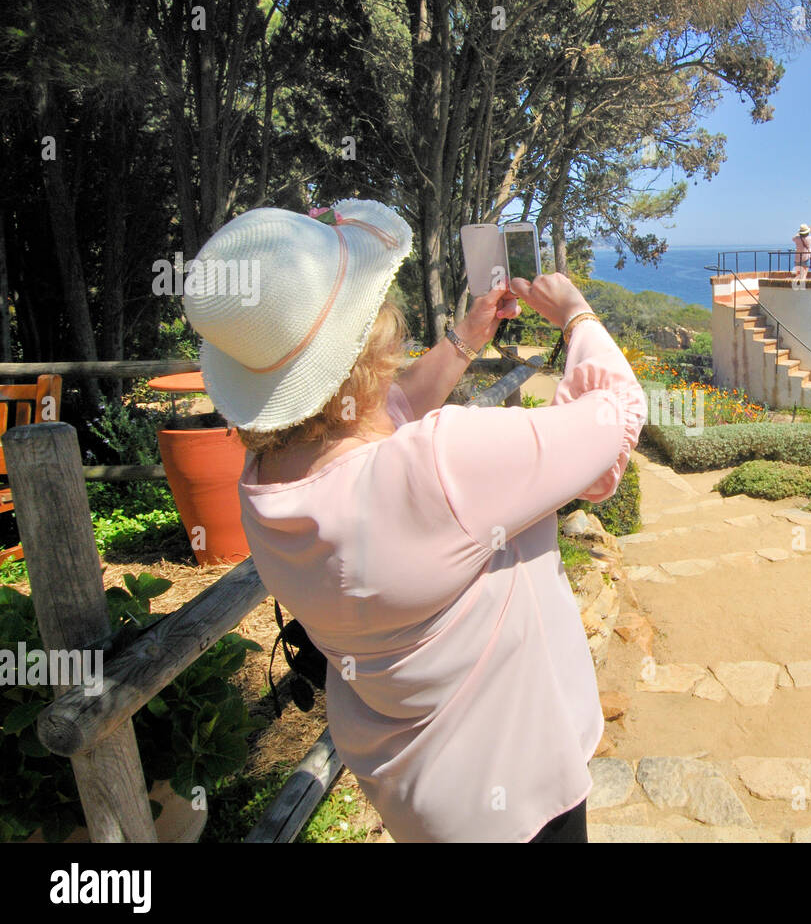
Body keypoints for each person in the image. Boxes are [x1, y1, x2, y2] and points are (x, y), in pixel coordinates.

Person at [181, 199, 648, 842]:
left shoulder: (265, 488)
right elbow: (615, 412)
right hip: (520, 792)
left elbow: (377, 417)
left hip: (419, 797)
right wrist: (576, 314)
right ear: (370, 347)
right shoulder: (440, 463)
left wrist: (464, 340)